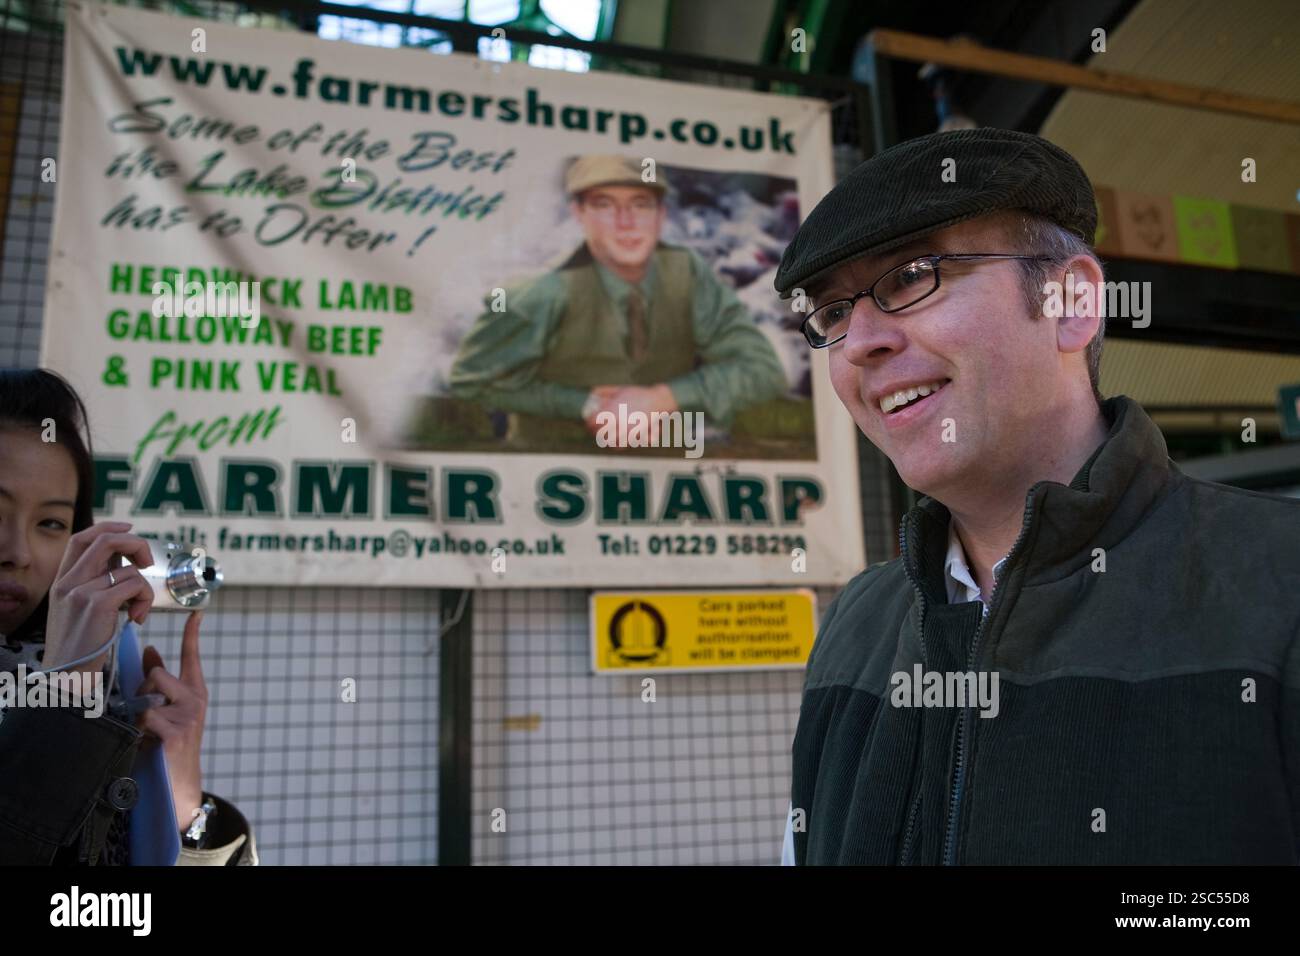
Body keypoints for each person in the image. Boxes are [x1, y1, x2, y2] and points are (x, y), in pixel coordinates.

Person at [774, 128, 1299, 865]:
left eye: (912, 276)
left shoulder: (1280, 583)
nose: (860, 341)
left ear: (1071, 301)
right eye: (831, 313)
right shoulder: (853, 627)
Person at [0, 368, 256, 865]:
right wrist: (62, 697)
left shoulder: (114, 677)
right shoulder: (79, 680)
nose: (18, 552)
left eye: (52, 522)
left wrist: (178, 797)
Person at [448, 154, 787, 449]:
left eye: (640, 204)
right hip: (552, 474)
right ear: (578, 214)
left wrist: (662, 398)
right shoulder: (537, 293)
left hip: (665, 475)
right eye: (604, 205)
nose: (626, 223)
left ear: (661, 215)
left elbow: (762, 371)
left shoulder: (688, 275)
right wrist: (583, 404)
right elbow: (470, 379)